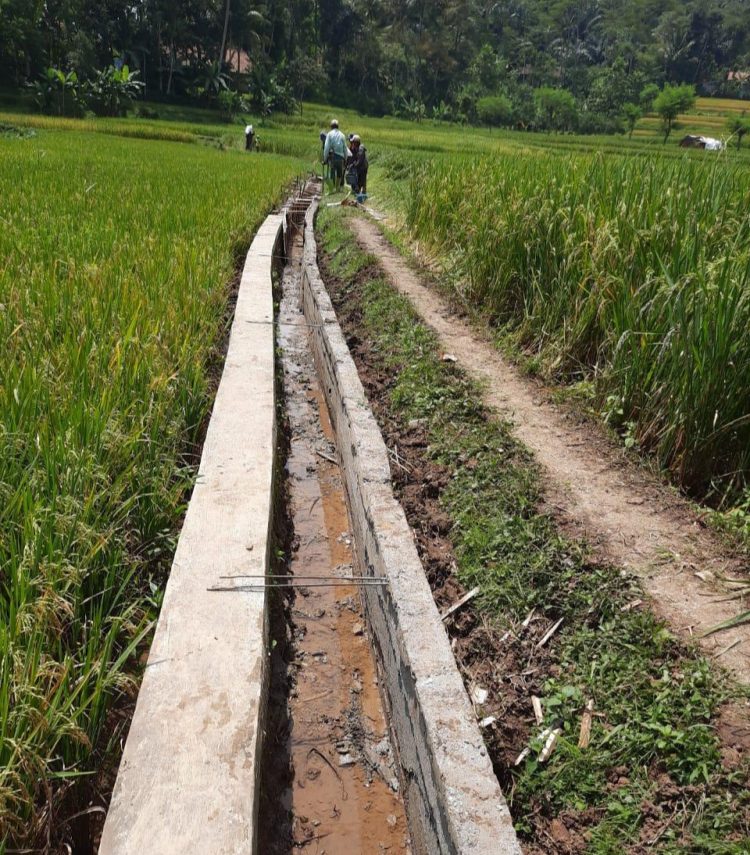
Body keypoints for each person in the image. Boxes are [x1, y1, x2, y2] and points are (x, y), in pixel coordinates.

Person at [323, 119, 347, 190]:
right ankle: (337, 187)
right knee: (339, 174)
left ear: (331, 126)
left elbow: (326, 147)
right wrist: (345, 159)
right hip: (341, 157)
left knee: (332, 173)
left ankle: (332, 188)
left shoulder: (329, 134)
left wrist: (325, 159)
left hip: (333, 156)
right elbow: (345, 148)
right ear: (337, 126)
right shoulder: (342, 135)